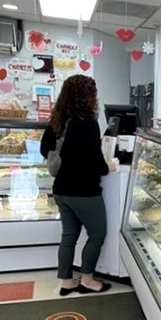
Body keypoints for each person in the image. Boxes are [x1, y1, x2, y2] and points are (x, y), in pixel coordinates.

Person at [40, 75, 118, 296]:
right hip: (84, 192)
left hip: (61, 190)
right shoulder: (88, 124)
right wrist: (109, 166)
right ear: (88, 97)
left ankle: (66, 282)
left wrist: (66, 159)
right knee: (97, 234)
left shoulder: (57, 120)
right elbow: (95, 163)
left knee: (69, 236)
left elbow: (44, 149)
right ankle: (87, 280)